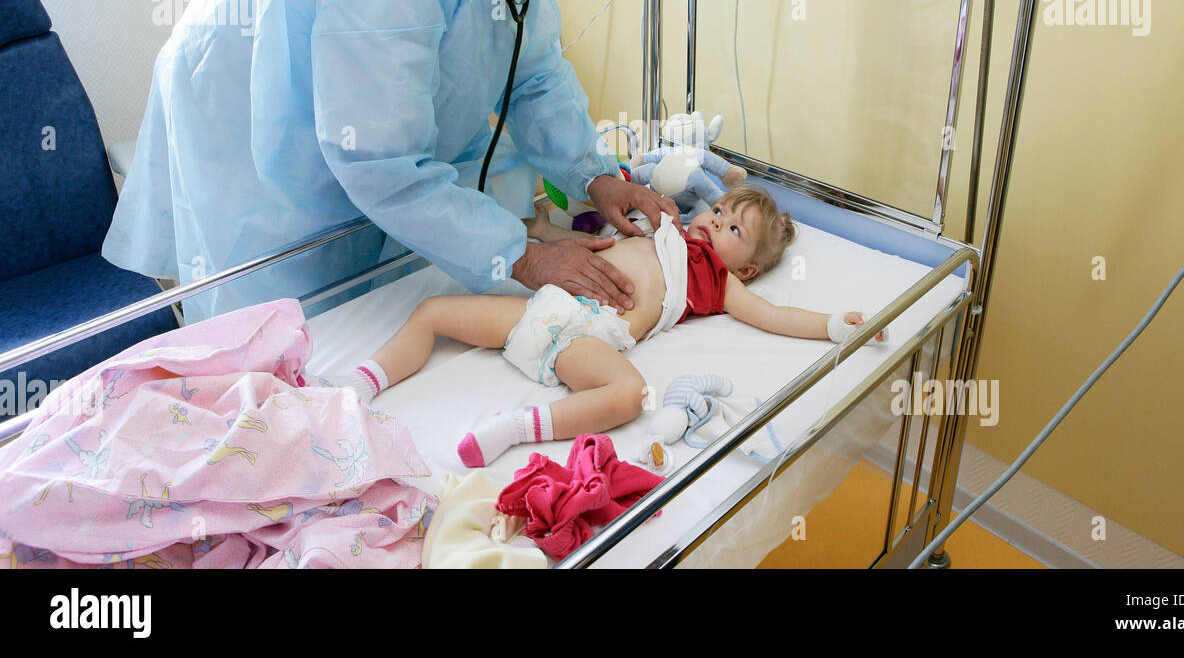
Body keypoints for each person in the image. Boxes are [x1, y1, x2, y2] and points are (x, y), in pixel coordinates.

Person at [103, 0, 680, 323]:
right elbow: (380, 163)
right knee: (288, 334)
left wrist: (595, 175)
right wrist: (522, 258)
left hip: (356, 128)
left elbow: (532, 76)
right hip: (252, 136)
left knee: (382, 286)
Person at [316, 186, 884, 467]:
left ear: (749, 267)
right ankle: (360, 385)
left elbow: (776, 316)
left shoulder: (718, 281)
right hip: (543, 310)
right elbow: (583, 247)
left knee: (629, 393)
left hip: (591, 340)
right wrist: (539, 234)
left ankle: (518, 427)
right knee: (434, 312)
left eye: (735, 229)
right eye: (718, 211)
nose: (716, 222)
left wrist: (836, 324)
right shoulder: (658, 233)